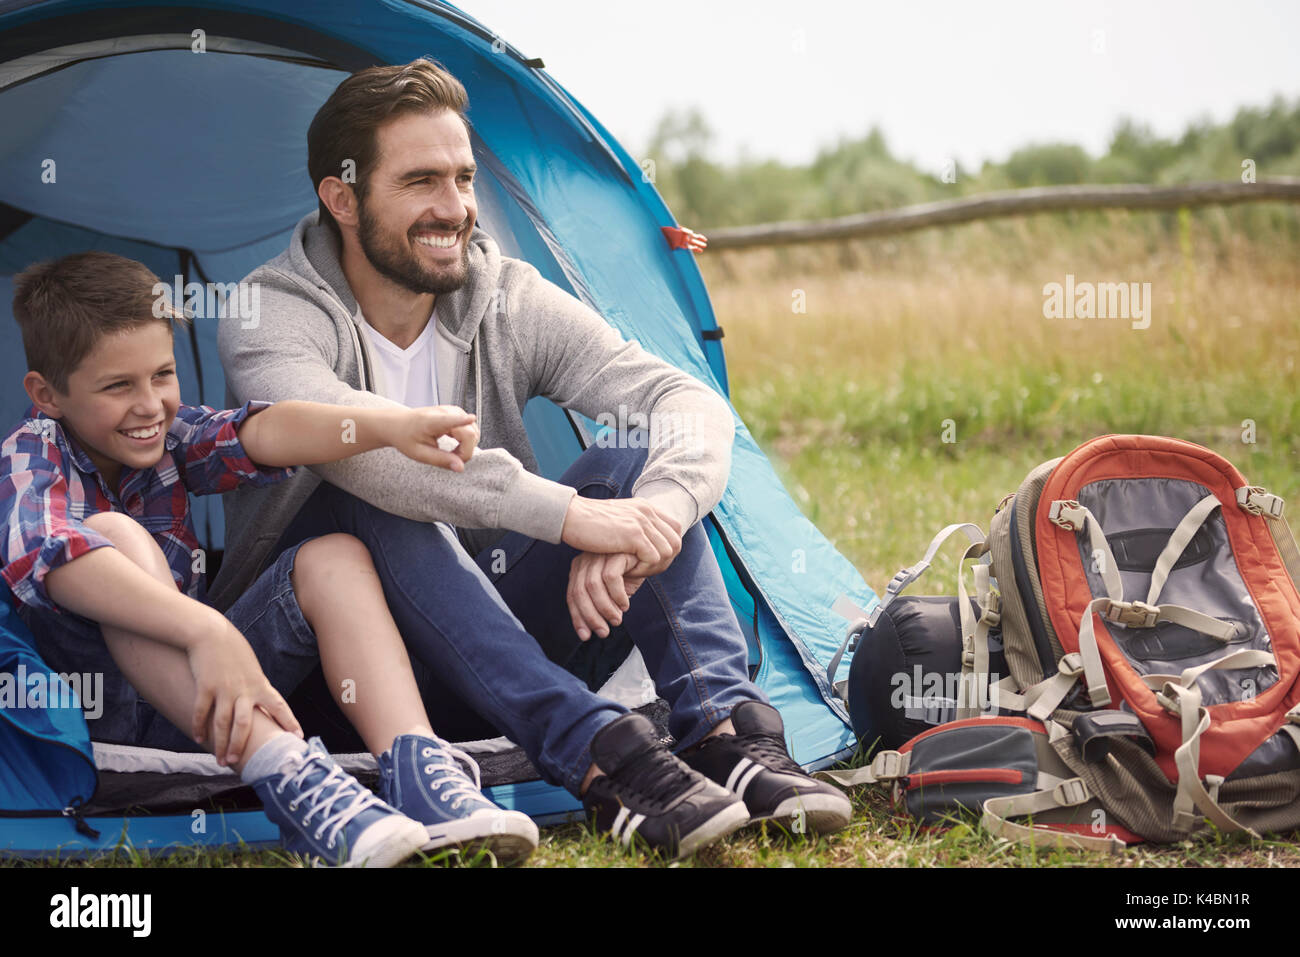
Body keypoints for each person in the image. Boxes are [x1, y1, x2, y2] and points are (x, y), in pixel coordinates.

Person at [214, 58, 852, 858]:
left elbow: (687, 403)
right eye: (420, 182)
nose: (455, 209)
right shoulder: (269, 310)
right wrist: (571, 516)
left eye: (464, 178)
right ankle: (600, 757)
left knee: (634, 464)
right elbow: (363, 452)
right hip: (344, 678)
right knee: (368, 487)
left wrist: (646, 522)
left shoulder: (504, 296)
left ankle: (729, 736)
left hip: (494, 648)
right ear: (342, 197)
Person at [0, 251, 539, 866]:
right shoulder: (29, 458)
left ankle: (418, 767)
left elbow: (261, 432)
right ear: (47, 394)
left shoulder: (167, 436)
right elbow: (52, 558)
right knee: (115, 535)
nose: (150, 404)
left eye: (162, 375)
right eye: (118, 386)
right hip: (109, 717)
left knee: (332, 556)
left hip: (213, 696)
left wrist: (389, 425)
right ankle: (297, 784)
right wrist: (204, 629)